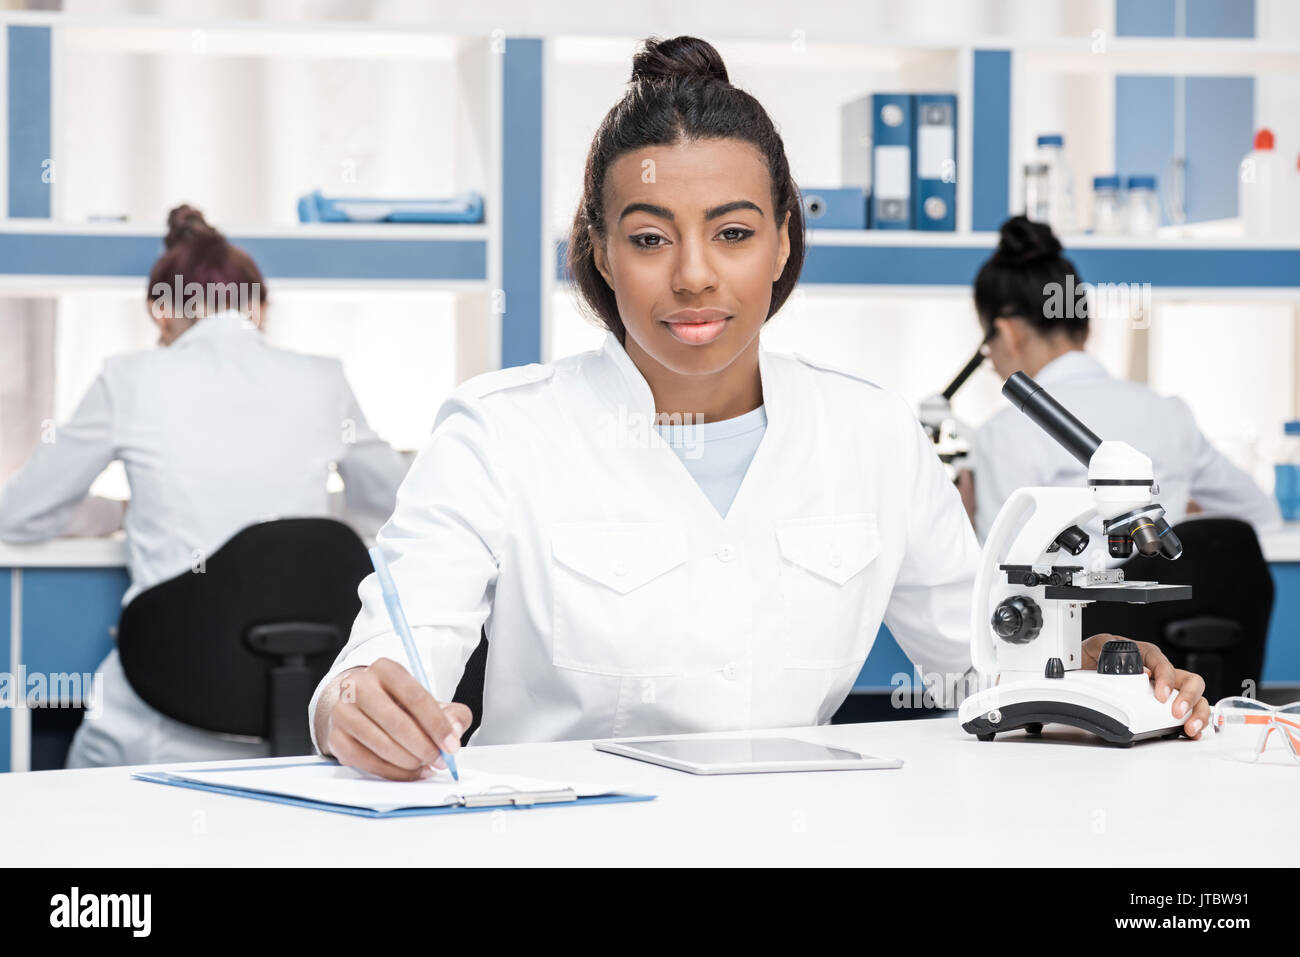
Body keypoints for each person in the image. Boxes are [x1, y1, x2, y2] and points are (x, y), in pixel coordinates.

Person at [308, 37, 1211, 782]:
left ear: (784, 240)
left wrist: (1086, 673)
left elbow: (980, 663)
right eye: (651, 237)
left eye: (734, 233)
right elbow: (392, 650)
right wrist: (354, 702)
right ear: (601, 252)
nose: (694, 273)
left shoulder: (870, 433)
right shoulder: (497, 432)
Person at [0, 205, 410, 767]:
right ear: (259, 309)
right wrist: (306, 512)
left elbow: (20, 515)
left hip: (159, 712)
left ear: (162, 316)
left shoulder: (129, 378)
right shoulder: (323, 378)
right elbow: (391, 506)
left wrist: (121, 513)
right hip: (303, 707)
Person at [964, 216, 1281, 550]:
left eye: (988, 344)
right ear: (1084, 326)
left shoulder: (1006, 432)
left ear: (1007, 333)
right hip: (1177, 600)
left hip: (1067, 603)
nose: (992, 361)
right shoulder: (1170, 414)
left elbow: (1006, 572)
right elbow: (1260, 514)